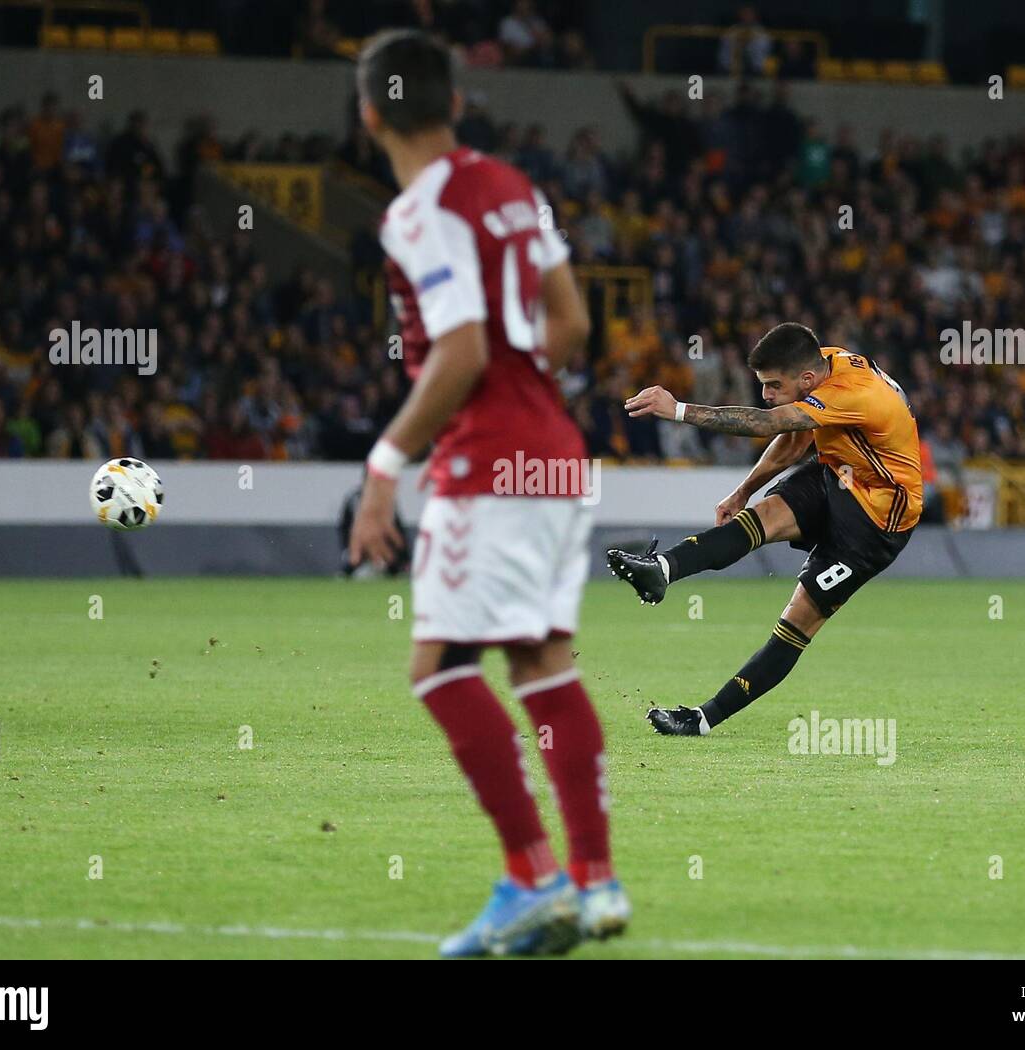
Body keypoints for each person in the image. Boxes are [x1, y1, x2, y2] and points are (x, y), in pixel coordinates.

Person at [347, 29, 628, 957]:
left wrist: (385, 466)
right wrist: (526, 383)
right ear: (456, 104)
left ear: (369, 114)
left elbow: (462, 351)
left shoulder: (418, 212)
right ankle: (595, 882)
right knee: (545, 663)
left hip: (491, 464)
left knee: (440, 666)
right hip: (557, 454)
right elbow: (574, 321)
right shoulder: (512, 187)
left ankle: (530, 875)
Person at [609, 322, 920, 735]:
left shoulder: (854, 392)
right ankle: (662, 570)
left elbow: (766, 423)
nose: (766, 395)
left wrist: (678, 410)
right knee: (760, 518)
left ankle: (702, 720)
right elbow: (793, 437)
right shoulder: (825, 365)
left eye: (773, 385)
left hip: (876, 522)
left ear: (806, 379)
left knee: (796, 623)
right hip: (839, 475)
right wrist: (743, 491)